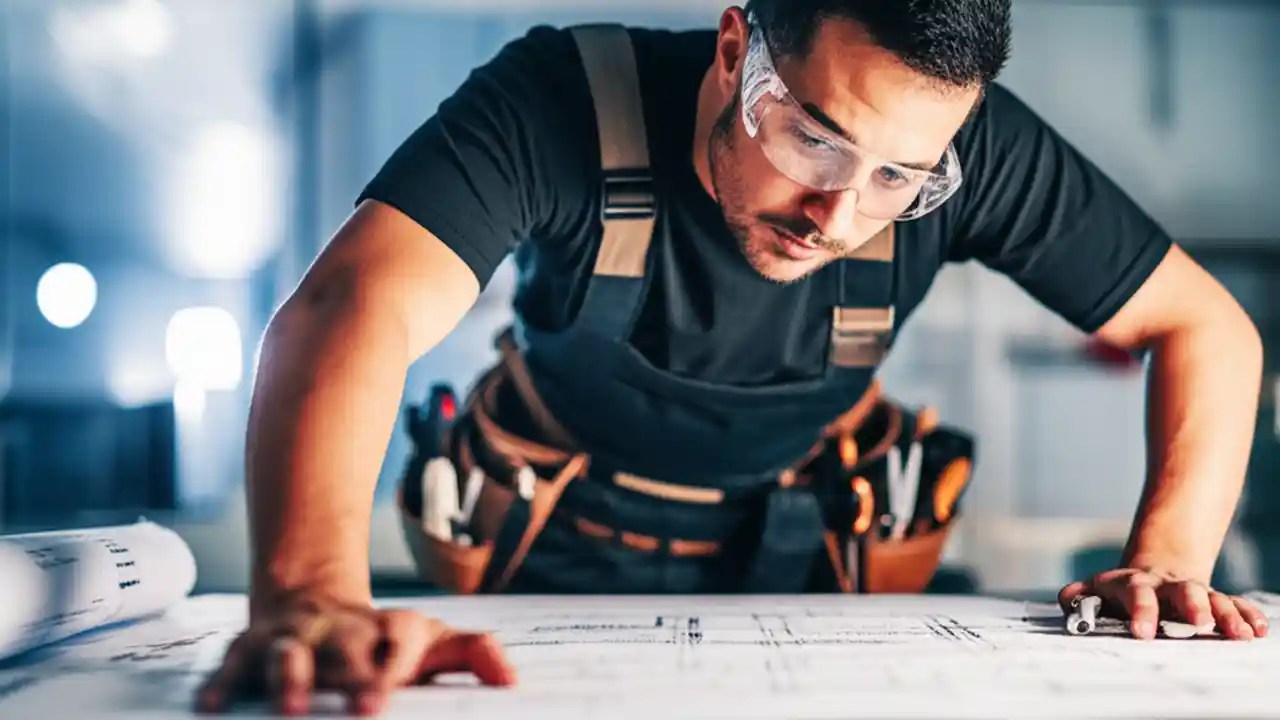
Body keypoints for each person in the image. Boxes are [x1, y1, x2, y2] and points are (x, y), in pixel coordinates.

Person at [195, 0, 1269, 715]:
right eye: (813, 138)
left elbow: (1205, 328)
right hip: (553, 537)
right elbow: (349, 305)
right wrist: (306, 591)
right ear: (733, 49)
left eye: (901, 178)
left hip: (813, 545)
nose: (839, 214)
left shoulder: (966, 153)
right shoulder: (560, 99)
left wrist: (1170, 559)